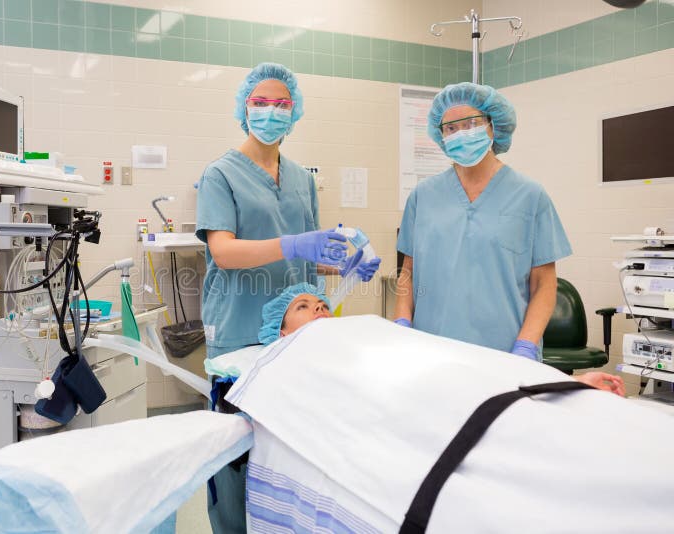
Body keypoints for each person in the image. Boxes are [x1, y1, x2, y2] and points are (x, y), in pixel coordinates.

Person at [195, 62, 381, 534]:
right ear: (243, 108)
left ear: (294, 112)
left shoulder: (300, 178)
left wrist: (342, 265)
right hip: (240, 327)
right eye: (261, 103)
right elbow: (223, 251)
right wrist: (297, 244)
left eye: (282, 104)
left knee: (288, 453)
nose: (271, 112)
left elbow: (302, 256)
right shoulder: (220, 174)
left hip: (298, 335)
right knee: (236, 458)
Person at [394, 82, 572, 363]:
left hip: (504, 354)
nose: (460, 134)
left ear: (493, 126)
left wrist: (525, 345)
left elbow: (544, 284)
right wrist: (403, 323)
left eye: (471, 124)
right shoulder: (423, 196)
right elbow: (407, 272)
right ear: (440, 136)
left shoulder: (529, 195)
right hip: (431, 349)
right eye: (450, 128)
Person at [260, 283, 625, 396]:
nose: (319, 308)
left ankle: (566, 384)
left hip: (417, 372)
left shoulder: (357, 332)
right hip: (397, 392)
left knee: (467, 368)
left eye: (322, 304)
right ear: (283, 331)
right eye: (304, 307)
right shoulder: (293, 365)